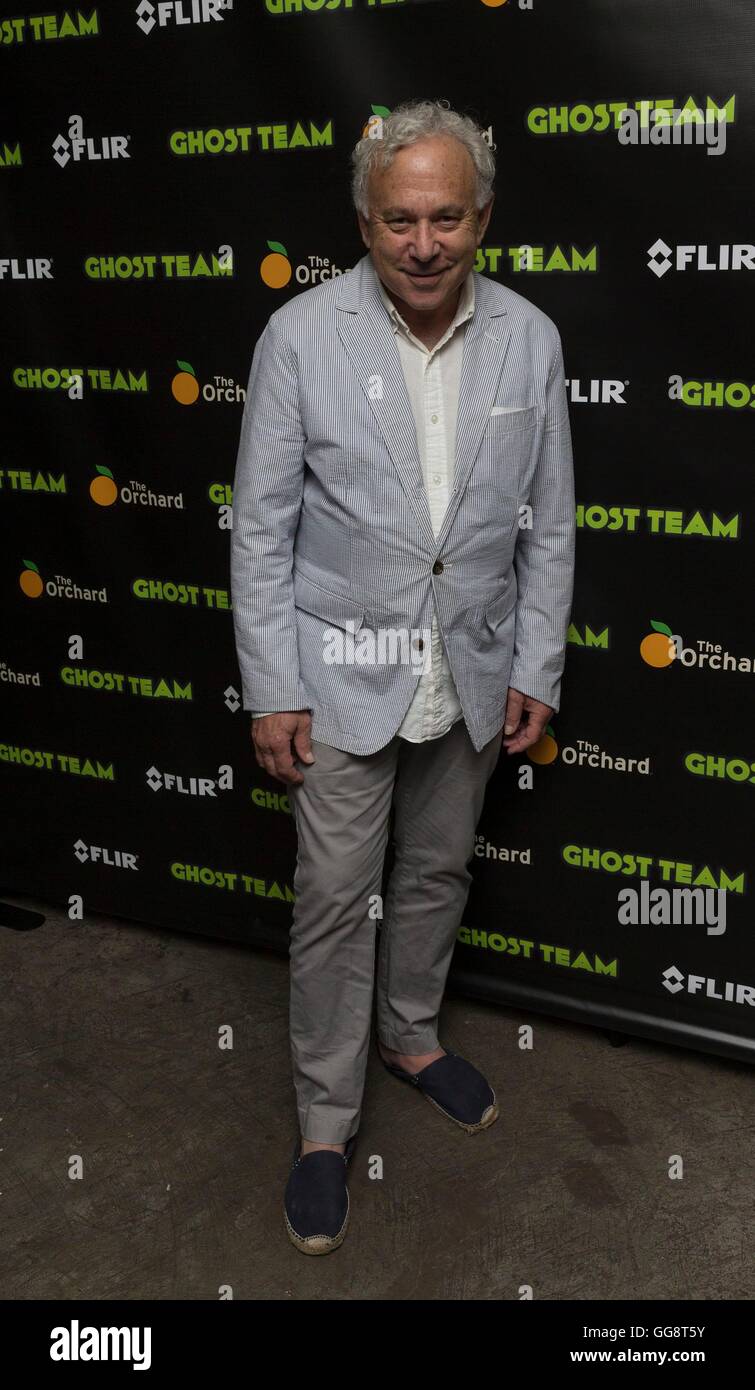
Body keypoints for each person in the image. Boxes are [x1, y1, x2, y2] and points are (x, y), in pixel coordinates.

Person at [230, 98, 575, 1255]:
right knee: (333, 901)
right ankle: (325, 1125)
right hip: (336, 678)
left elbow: (551, 527)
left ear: (481, 218)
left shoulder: (530, 338)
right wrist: (273, 684)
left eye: (444, 217)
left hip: (471, 673)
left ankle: (411, 1034)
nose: (421, 243)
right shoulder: (297, 337)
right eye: (396, 220)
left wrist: (535, 660)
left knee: (434, 875)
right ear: (364, 223)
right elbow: (260, 530)